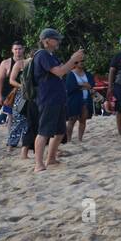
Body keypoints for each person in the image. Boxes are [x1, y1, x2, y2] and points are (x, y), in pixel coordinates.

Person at [30, 29, 83, 172]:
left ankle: (51, 158)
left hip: (57, 98)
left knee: (60, 131)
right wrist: (72, 59)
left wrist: (73, 61)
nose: (58, 41)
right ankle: (38, 164)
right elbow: (59, 72)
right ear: (46, 41)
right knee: (44, 132)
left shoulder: (50, 55)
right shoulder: (42, 55)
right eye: (56, 39)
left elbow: (62, 70)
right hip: (48, 98)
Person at [64, 56, 94, 142]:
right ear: (75, 63)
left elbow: (91, 84)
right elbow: (70, 87)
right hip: (74, 100)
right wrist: (84, 85)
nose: (82, 63)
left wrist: (80, 85)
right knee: (72, 120)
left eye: (83, 61)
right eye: (79, 61)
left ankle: (80, 139)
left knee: (83, 120)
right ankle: (69, 139)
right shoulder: (71, 74)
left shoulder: (87, 73)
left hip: (85, 99)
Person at [0, 41, 25, 126]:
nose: (18, 51)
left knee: (22, 116)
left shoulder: (27, 62)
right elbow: (0, 80)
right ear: (12, 50)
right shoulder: (6, 63)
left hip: (23, 94)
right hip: (9, 94)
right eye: (15, 49)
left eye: (19, 49)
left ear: (23, 49)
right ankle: (10, 136)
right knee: (10, 117)